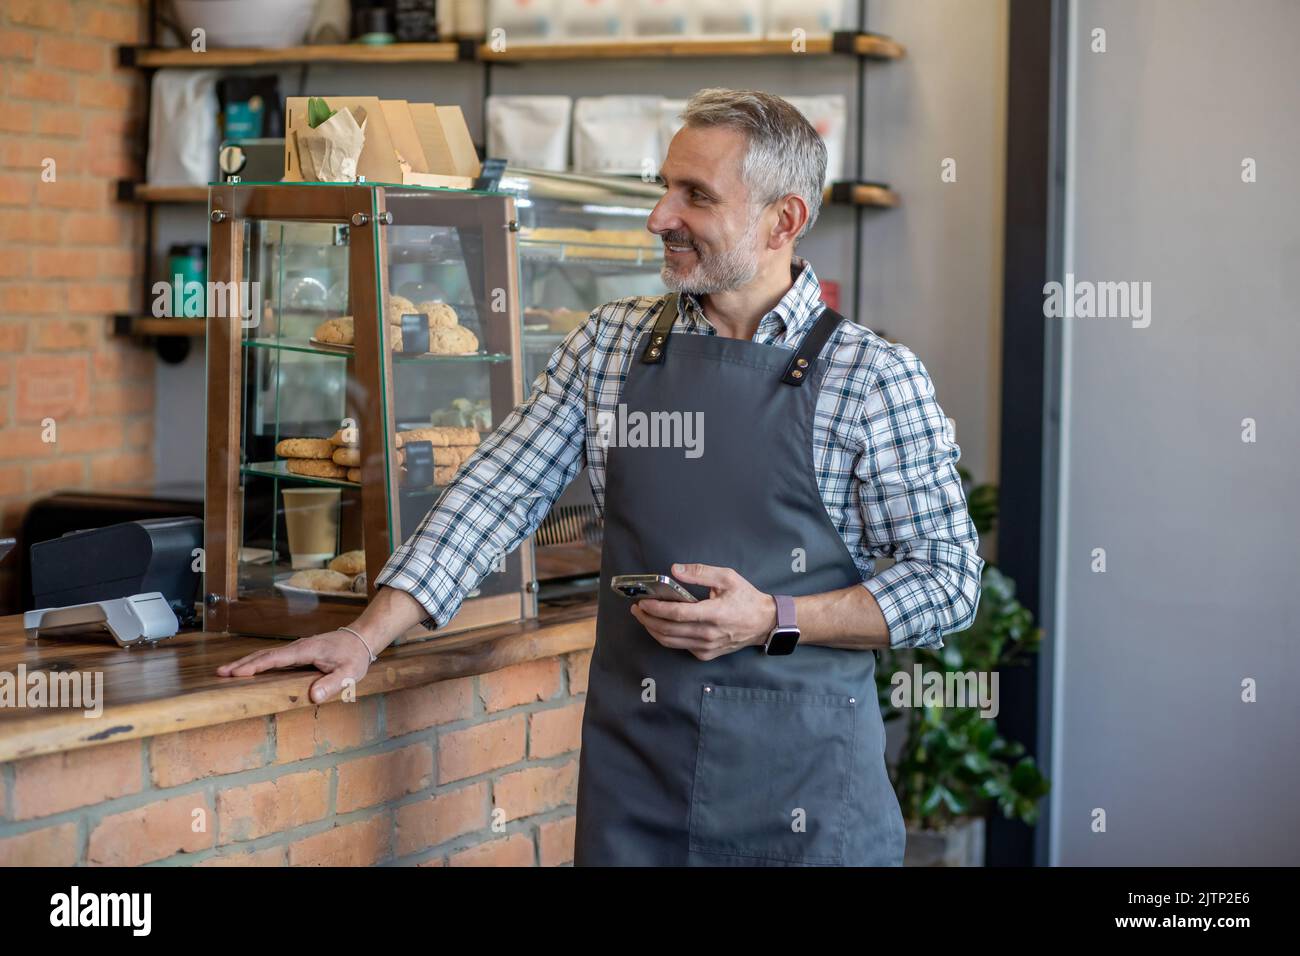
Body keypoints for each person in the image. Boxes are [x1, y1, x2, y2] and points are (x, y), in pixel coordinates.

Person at [218, 88, 984, 866]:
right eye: (663, 187)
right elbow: (497, 491)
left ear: (783, 221)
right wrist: (363, 635)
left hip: (806, 797)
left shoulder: (873, 378)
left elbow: (949, 582)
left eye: (696, 196)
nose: (659, 216)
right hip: (636, 785)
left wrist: (773, 616)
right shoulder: (611, 344)